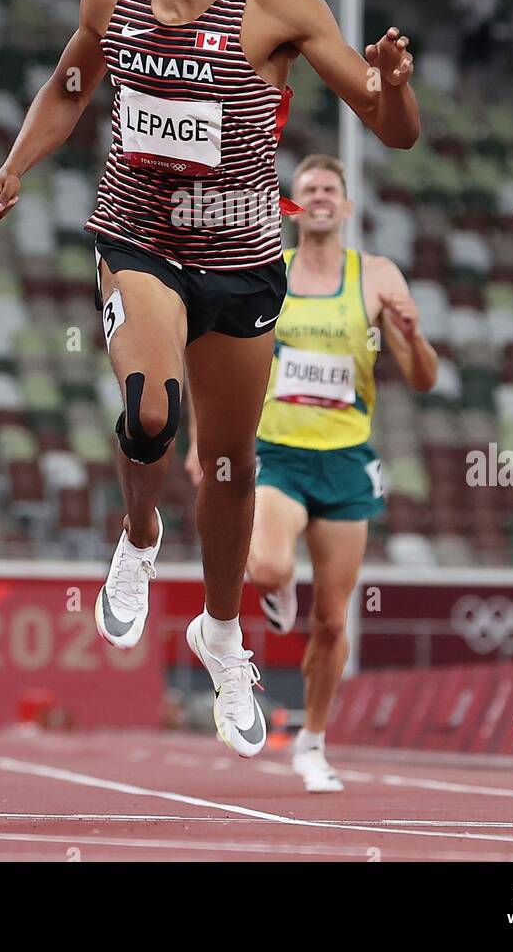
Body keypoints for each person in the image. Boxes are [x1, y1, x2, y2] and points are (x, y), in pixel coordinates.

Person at [0, 0, 419, 757]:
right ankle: (137, 540)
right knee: (147, 412)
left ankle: (220, 636)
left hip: (245, 258)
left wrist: (398, 87)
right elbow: (69, 84)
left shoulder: (279, 5)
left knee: (230, 468)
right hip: (138, 239)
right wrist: (15, 169)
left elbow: (388, 125)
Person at [187, 155, 438, 790]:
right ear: (292, 206)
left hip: (348, 460)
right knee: (268, 567)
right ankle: (277, 588)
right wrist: (201, 438)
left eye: (331, 188)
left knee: (331, 621)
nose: (320, 197)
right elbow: (213, 358)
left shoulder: (377, 277)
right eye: (308, 189)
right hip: (277, 452)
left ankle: (313, 742)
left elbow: (423, 378)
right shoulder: (266, 272)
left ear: (347, 207)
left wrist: (411, 336)